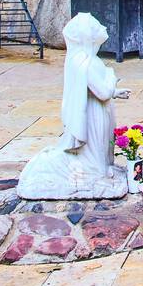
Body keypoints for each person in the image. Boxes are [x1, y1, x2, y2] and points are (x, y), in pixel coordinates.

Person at [17, 13, 131, 199]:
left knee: (102, 147)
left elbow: (99, 90)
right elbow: (102, 92)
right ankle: (93, 172)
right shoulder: (84, 62)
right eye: (97, 26)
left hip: (99, 109)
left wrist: (115, 91)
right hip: (93, 114)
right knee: (96, 149)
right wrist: (111, 76)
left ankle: (101, 168)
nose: (103, 28)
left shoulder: (84, 58)